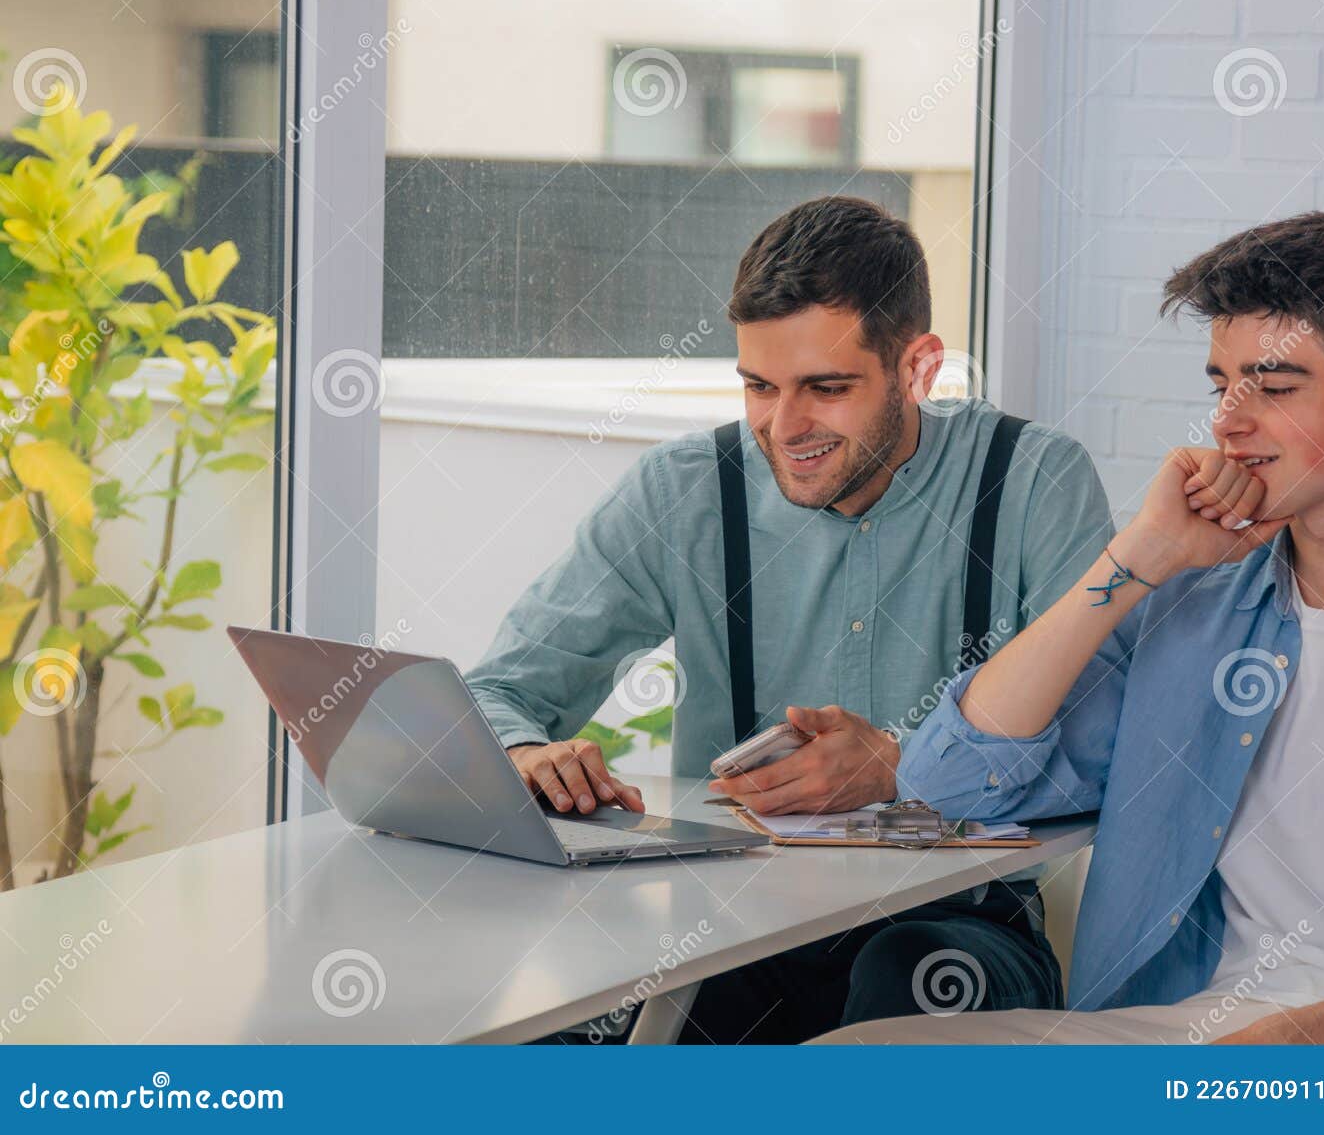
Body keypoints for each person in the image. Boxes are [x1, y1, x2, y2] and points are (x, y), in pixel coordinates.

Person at [817, 210, 1324, 1045]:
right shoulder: (1193, 599)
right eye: (1221, 383)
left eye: (1273, 385)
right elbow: (945, 786)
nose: (1228, 419)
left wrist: (1296, 1039)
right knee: (855, 1060)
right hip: (1176, 1032)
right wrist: (1137, 557)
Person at [463, 195, 1112, 1042]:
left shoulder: (1033, 482)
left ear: (918, 367)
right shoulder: (685, 489)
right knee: (552, 1029)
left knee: (902, 980)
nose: (784, 425)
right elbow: (499, 689)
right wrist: (526, 753)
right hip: (727, 928)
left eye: (826, 388)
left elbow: (1110, 752)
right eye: (759, 386)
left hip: (962, 930)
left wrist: (902, 765)